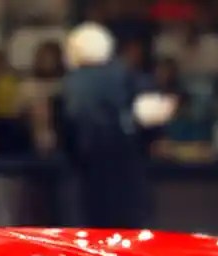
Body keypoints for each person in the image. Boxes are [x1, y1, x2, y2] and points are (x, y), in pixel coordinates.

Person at [62, 22, 176, 228]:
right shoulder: (130, 77)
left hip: (90, 181)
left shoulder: (72, 84)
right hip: (129, 178)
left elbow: (68, 134)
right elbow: (153, 124)